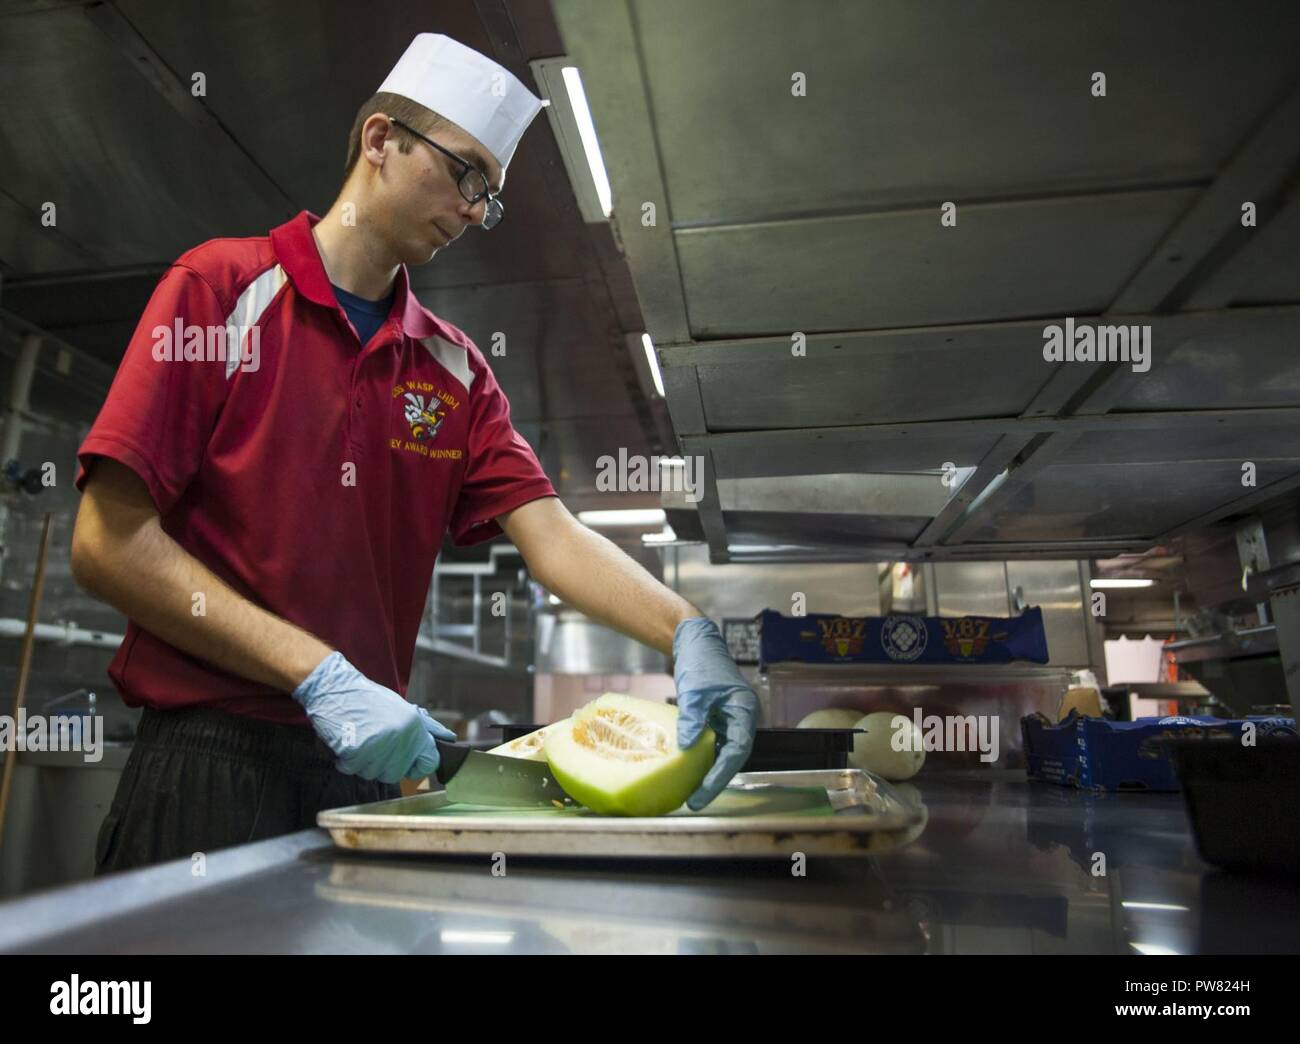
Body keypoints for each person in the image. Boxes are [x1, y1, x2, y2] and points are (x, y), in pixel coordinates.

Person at [70, 33, 758, 873]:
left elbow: (554, 538)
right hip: (206, 765)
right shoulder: (221, 290)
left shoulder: (455, 369)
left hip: (362, 776)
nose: (475, 210)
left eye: (490, 195)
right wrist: (319, 674)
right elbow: (107, 541)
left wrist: (687, 629)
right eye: (468, 174)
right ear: (381, 140)